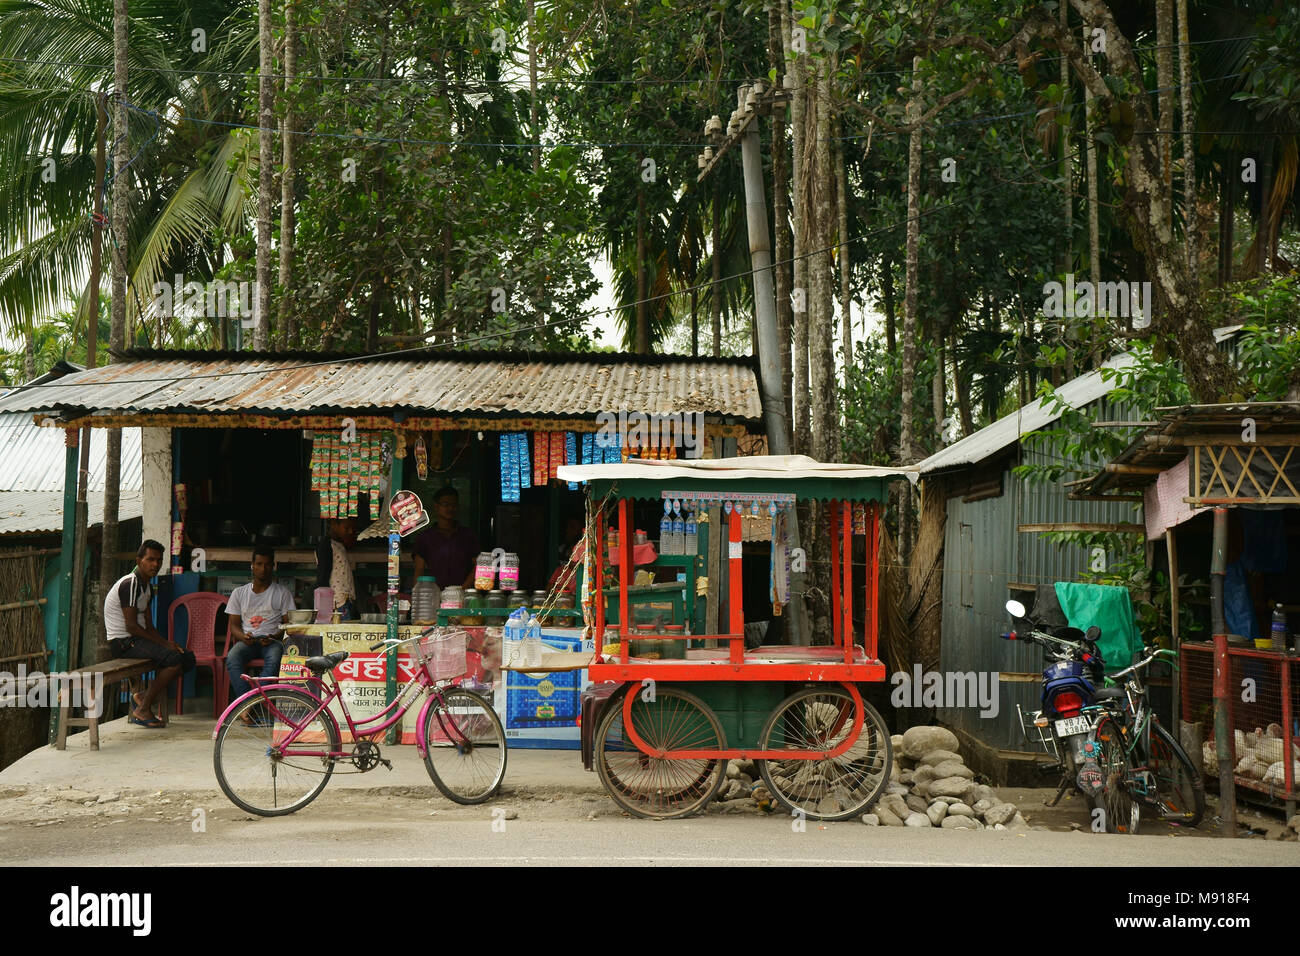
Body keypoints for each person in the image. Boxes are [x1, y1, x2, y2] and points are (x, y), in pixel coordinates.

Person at [104, 539, 195, 728]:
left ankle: (143, 697)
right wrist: (164, 645)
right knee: (173, 659)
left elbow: (148, 627)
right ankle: (143, 708)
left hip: (135, 640)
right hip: (122, 643)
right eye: (150, 559)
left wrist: (167, 643)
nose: (155, 564)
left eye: (159, 560)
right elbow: (131, 626)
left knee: (186, 657)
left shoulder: (146, 586)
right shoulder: (131, 583)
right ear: (139, 561)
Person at [225, 546, 295, 706]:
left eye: (267, 564)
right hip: (247, 641)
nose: (263, 569)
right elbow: (234, 626)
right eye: (259, 564)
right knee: (232, 658)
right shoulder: (239, 593)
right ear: (252, 565)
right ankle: (246, 704)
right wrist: (243, 636)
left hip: (272, 642)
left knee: (275, 659)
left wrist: (275, 636)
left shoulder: (282, 593)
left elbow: (289, 624)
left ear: (273, 566)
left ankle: (252, 706)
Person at [412, 486, 477, 589]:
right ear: (436, 507)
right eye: (446, 504)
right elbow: (419, 570)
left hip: (464, 595)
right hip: (435, 595)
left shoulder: (468, 535)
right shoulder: (425, 537)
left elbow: (478, 566)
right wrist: (418, 595)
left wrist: (463, 589)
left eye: (454, 505)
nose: (450, 508)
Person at [315, 517, 359, 620]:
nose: (351, 531)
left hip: (345, 601)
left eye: (353, 528)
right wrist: (324, 606)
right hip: (336, 604)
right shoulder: (326, 545)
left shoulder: (338, 544)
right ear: (334, 524)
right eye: (346, 528)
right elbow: (323, 576)